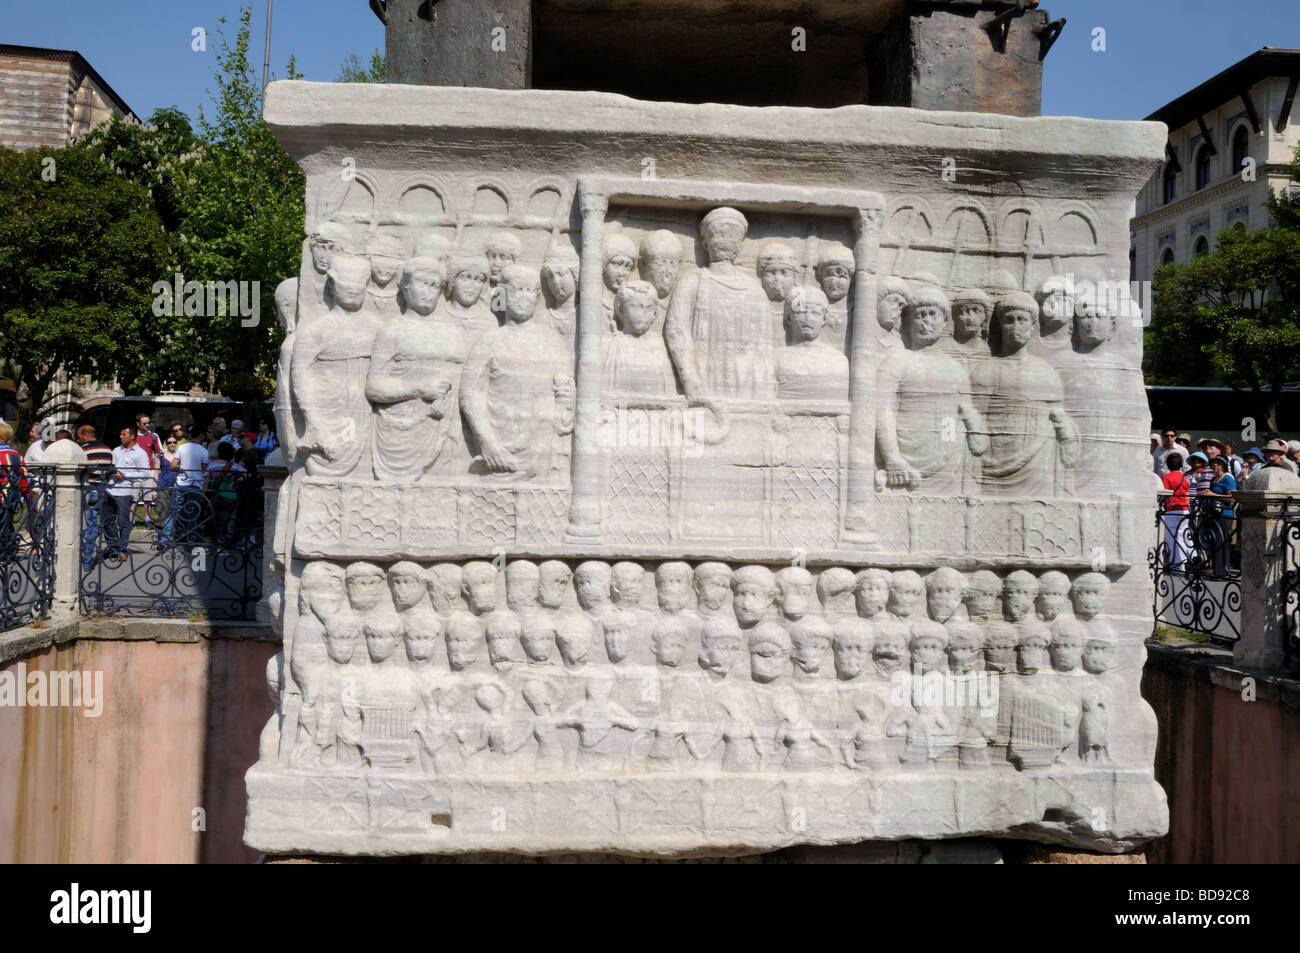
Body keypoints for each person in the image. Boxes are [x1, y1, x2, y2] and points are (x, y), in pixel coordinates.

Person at [108, 426, 149, 559]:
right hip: (110, 489)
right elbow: (112, 466)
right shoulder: (116, 450)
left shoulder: (140, 453)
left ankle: (122, 549)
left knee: (123, 521)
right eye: (120, 434)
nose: (120, 436)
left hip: (125, 490)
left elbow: (145, 473)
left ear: (132, 436)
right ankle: (113, 547)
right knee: (107, 520)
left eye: (123, 434)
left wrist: (126, 475)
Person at [77, 425, 113, 569]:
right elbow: (110, 471)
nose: (77, 439)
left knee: (80, 524)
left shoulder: (82, 450)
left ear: (86, 435)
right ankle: (87, 560)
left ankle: (82, 558)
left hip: (86, 489)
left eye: (79, 435)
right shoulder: (107, 450)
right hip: (101, 490)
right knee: (92, 524)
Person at [1199, 456, 1237, 575]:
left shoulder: (1227, 478)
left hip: (1224, 514)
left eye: (1218, 464)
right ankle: (1216, 569)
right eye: (1214, 464)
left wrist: (1213, 495)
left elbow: (1232, 498)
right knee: (1214, 542)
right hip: (1213, 514)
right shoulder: (1213, 479)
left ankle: (1223, 571)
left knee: (1222, 542)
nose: (1215, 466)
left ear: (1224, 465)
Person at [175, 423, 210, 546]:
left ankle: (172, 536)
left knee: (176, 510)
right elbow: (204, 469)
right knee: (192, 512)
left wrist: (183, 466)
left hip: (180, 482)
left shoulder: (182, 447)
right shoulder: (204, 451)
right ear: (201, 435)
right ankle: (191, 538)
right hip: (195, 483)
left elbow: (173, 465)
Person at [205, 443, 246, 544]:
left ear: (219, 452)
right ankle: (221, 544)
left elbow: (206, 480)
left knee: (211, 519)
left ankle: (207, 542)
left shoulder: (212, 465)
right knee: (224, 520)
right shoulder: (234, 467)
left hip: (215, 495)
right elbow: (246, 474)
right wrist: (235, 482)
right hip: (230, 495)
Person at [1160, 451, 1191, 567]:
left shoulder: (1166, 477)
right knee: (1183, 535)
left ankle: (1177, 562)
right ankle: (1189, 558)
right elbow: (1187, 495)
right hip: (1184, 509)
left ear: (1168, 465)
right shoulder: (1185, 478)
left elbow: (1164, 494)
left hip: (1172, 510)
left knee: (1171, 537)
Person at [154, 434, 181, 546]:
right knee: (162, 511)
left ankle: (170, 535)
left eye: (174, 442)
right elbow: (156, 472)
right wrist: (154, 489)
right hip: (163, 485)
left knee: (174, 511)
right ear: (166, 443)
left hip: (176, 485)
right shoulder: (160, 455)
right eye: (169, 442)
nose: (172, 444)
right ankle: (163, 536)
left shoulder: (179, 455)